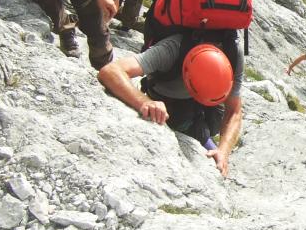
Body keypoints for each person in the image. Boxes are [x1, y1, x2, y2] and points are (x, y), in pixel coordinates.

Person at [97, 33, 244, 177]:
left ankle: (204, 134)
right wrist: (145, 102)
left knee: (214, 123)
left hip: (203, 102)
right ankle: (201, 135)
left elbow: (234, 111)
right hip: (172, 99)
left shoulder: (232, 52)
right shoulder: (172, 48)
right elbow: (110, 71)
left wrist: (223, 151)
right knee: (185, 122)